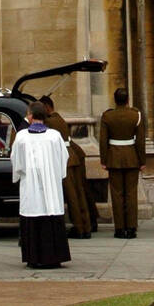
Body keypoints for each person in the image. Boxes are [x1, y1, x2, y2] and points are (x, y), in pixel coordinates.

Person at [10, 100, 71, 269]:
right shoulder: (54, 136)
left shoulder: (21, 137)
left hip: (31, 184)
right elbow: (63, 158)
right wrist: (54, 175)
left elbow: (17, 161)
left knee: (33, 212)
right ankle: (54, 257)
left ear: (30, 116)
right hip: (50, 185)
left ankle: (34, 257)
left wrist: (22, 174)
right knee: (50, 212)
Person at [40, 96, 92, 239]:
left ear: (47, 107)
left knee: (72, 196)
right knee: (78, 194)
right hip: (72, 157)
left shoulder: (49, 121)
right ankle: (86, 225)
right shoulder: (59, 119)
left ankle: (79, 228)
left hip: (64, 160)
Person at [98, 88, 145, 238]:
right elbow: (140, 141)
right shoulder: (135, 115)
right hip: (131, 156)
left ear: (115, 99)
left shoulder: (108, 116)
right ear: (127, 100)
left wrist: (104, 160)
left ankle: (119, 228)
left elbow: (103, 140)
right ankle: (131, 227)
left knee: (117, 194)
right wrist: (142, 160)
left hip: (113, 157)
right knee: (131, 193)